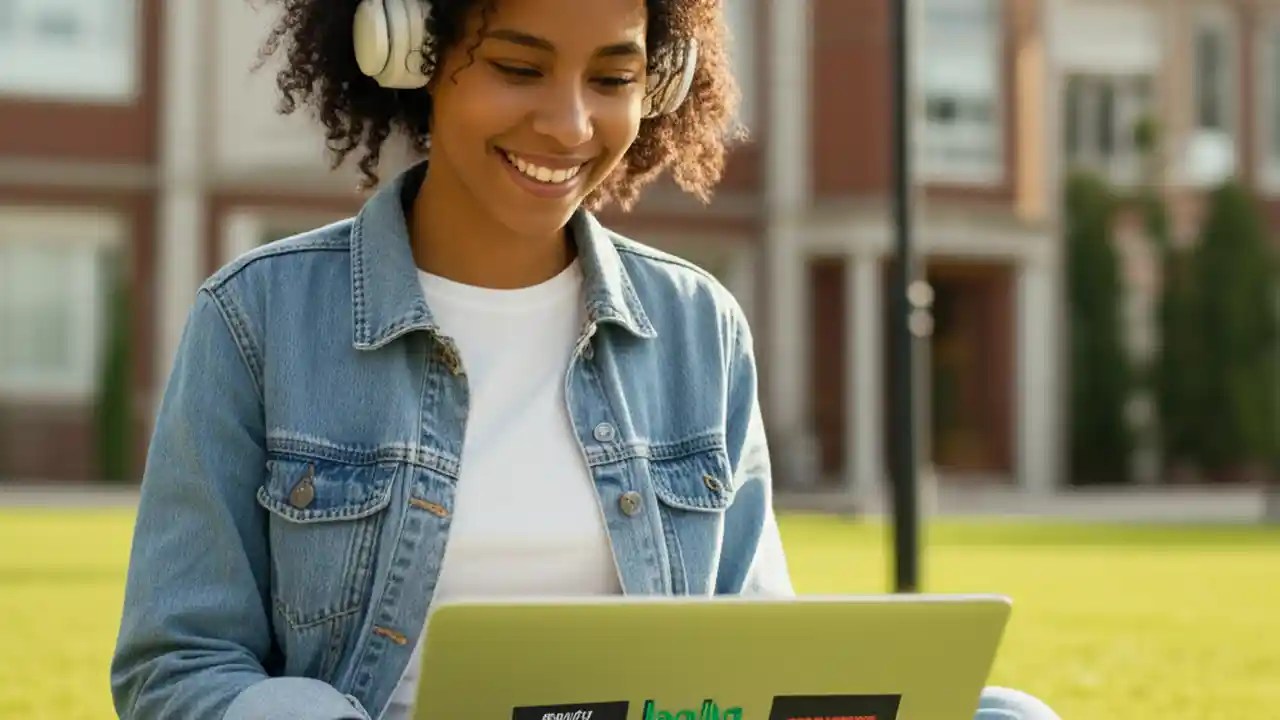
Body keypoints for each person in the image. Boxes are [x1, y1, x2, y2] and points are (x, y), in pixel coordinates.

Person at [109, 1, 1061, 719]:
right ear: (412, 54)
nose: (570, 126)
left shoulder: (698, 325)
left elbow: (751, 638)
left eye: (612, 79)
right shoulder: (259, 318)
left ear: (662, 85)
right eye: (519, 67)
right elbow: (179, 665)